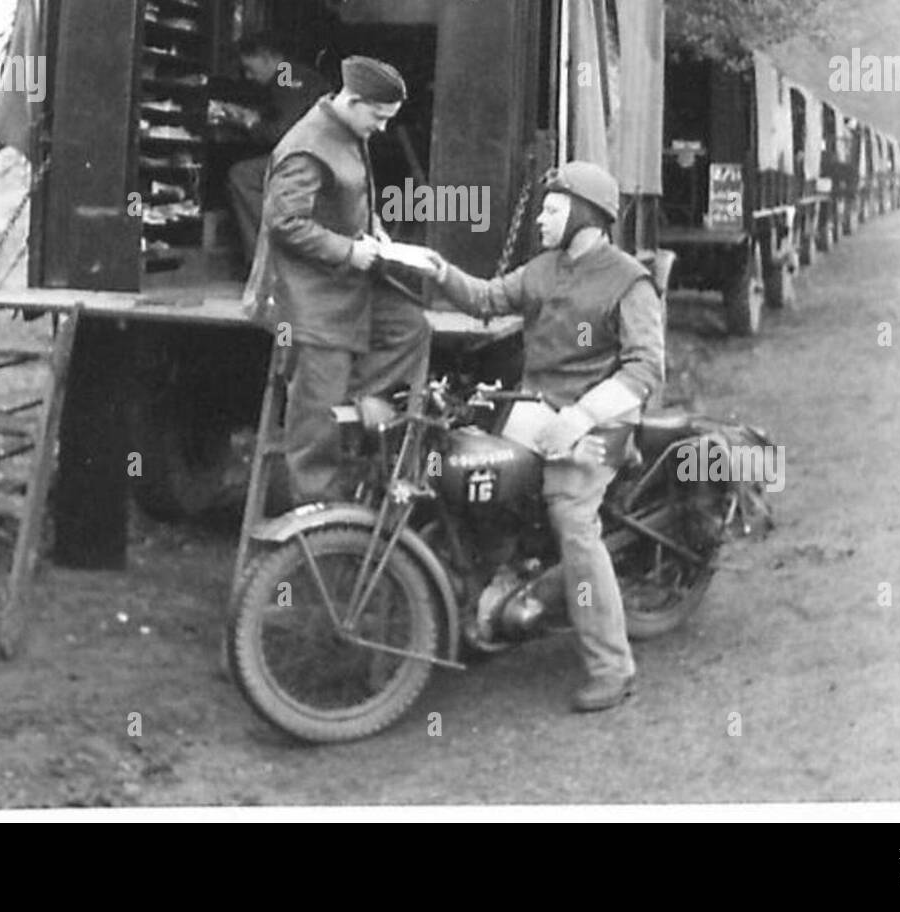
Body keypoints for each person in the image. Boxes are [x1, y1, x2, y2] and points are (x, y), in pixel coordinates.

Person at [415, 161, 665, 714]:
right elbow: (484, 299)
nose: (541, 219)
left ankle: (611, 666)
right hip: (535, 404)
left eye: (552, 209)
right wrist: (437, 269)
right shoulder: (543, 269)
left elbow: (646, 369)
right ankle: (494, 602)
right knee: (479, 480)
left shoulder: (629, 279)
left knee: (573, 521)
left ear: (585, 216)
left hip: (600, 417)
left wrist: (580, 417)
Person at [247, 55, 431, 506]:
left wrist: (374, 232)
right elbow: (285, 223)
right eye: (379, 117)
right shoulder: (307, 145)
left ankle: (362, 394)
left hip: (344, 285)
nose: (384, 128)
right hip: (310, 301)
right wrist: (349, 250)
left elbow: (348, 193)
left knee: (411, 327)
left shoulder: (347, 129)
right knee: (318, 427)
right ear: (352, 100)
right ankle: (316, 525)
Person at [222, 33, 329, 261]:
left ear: (266, 57)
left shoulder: (286, 75)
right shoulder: (297, 76)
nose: (249, 76)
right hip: (320, 156)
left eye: (250, 68)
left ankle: (270, 255)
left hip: (311, 160)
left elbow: (283, 132)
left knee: (242, 176)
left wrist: (249, 122)